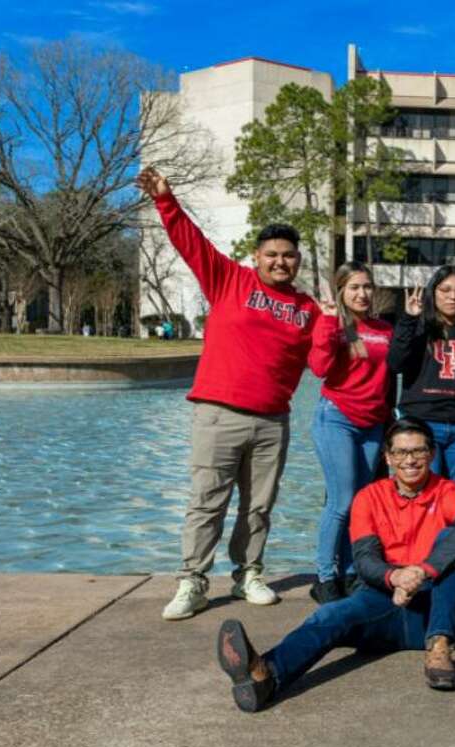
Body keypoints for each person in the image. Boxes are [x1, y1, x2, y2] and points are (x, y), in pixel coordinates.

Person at [137, 168, 318, 622]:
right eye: (272, 254)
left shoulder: (308, 309)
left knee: (258, 506)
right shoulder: (229, 280)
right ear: (256, 256)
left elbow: (327, 362)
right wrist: (166, 200)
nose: (280, 262)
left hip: (273, 420)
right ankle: (193, 580)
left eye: (289, 256)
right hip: (219, 413)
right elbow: (189, 241)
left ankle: (247, 573)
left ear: (298, 261)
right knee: (207, 501)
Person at [216, 418, 455, 712]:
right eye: (401, 453)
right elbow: (365, 559)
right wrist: (394, 577)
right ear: (388, 457)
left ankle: (440, 648)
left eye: (418, 452)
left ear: (432, 454)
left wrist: (422, 571)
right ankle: (265, 675)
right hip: (382, 603)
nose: (410, 460)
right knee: (330, 615)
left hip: (432, 611)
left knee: (454, 546)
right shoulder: (369, 497)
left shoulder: (447, 490)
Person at [307, 261, 394, 604]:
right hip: (337, 419)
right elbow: (319, 368)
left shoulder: (383, 329)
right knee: (341, 501)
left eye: (367, 286)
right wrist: (329, 320)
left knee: (359, 505)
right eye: (355, 287)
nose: (362, 293)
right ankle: (325, 576)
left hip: (372, 424)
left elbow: (389, 379)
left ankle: (349, 572)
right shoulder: (334, 325)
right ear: (342, 290)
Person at [388, 265, 455, 496]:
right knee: (421, 494)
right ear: (433, 292)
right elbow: (396, 364)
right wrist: (408, 319)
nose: (453, 296)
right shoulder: (420, 328)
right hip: (421, 424)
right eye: (445, 290)